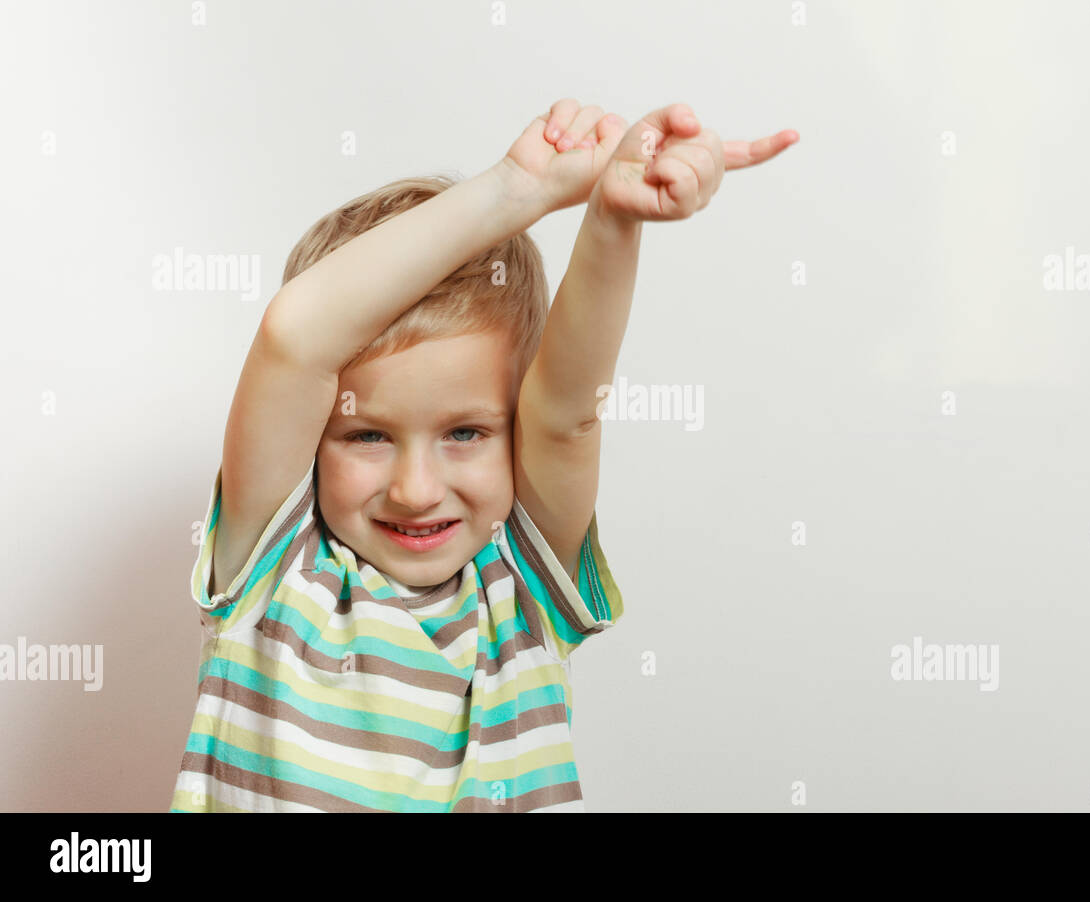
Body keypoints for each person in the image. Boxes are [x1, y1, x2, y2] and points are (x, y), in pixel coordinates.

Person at [170, 99, 798, 812]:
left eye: (465, 433)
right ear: (314, 431)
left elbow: (566, 417)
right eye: (368, 435)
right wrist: (514, 192)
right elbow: (295, 336)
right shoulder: (273, 575)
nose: (414, 489)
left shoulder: (523, 593)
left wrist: (613, 220)